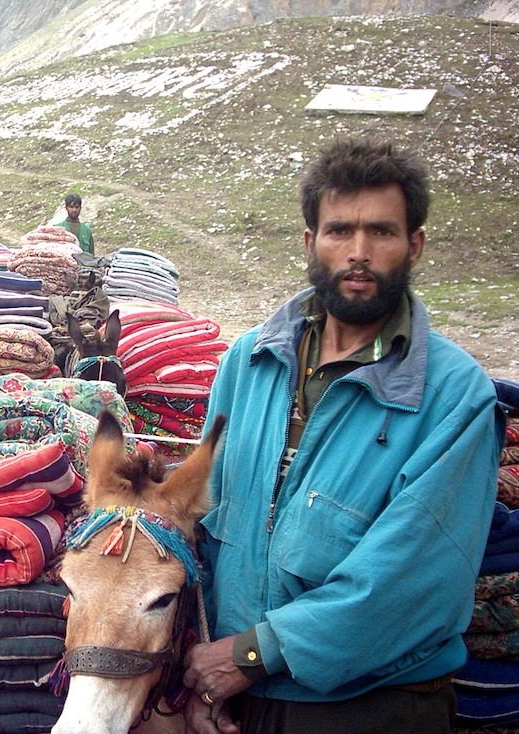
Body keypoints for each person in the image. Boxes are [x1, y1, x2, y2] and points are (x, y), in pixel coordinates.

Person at [183, 138, 505, 734]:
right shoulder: (247, 362)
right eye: (339, 231)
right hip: (236, 696)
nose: (358, 252)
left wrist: (251, 656)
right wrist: (204, 674)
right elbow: (204, 527)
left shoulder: (455, 395)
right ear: (311, 243)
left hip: (369, 706)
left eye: (381, 232)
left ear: (415, 245)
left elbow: (412, 579)